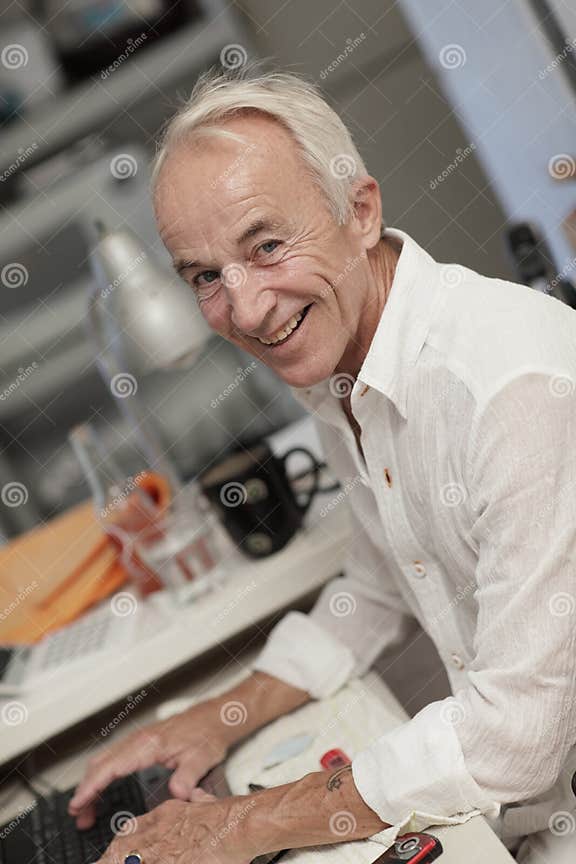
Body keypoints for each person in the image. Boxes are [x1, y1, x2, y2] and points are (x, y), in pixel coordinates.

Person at [69, 66, 576, 864]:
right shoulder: (344, 359)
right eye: (206, 276)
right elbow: (379, 586)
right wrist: (220, 717)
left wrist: (234, 826)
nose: (245, 309)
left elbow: (512, 741)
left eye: (267, 246)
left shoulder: (509, 388)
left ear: (361, 213)